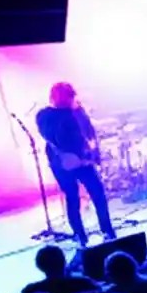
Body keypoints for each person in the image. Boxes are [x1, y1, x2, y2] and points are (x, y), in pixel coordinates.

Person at [35, 81, 116, 245]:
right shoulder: (45, 115)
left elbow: (89, 131)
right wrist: (69, 113)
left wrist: (94, 152)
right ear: (55, 98)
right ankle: (80, 235)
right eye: (66, 98)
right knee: (73, 198)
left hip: (83, 161)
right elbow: (58, 137)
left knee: (98, 194)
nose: (69, 101)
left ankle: (107, 230)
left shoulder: (77, 111)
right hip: (62, 163)